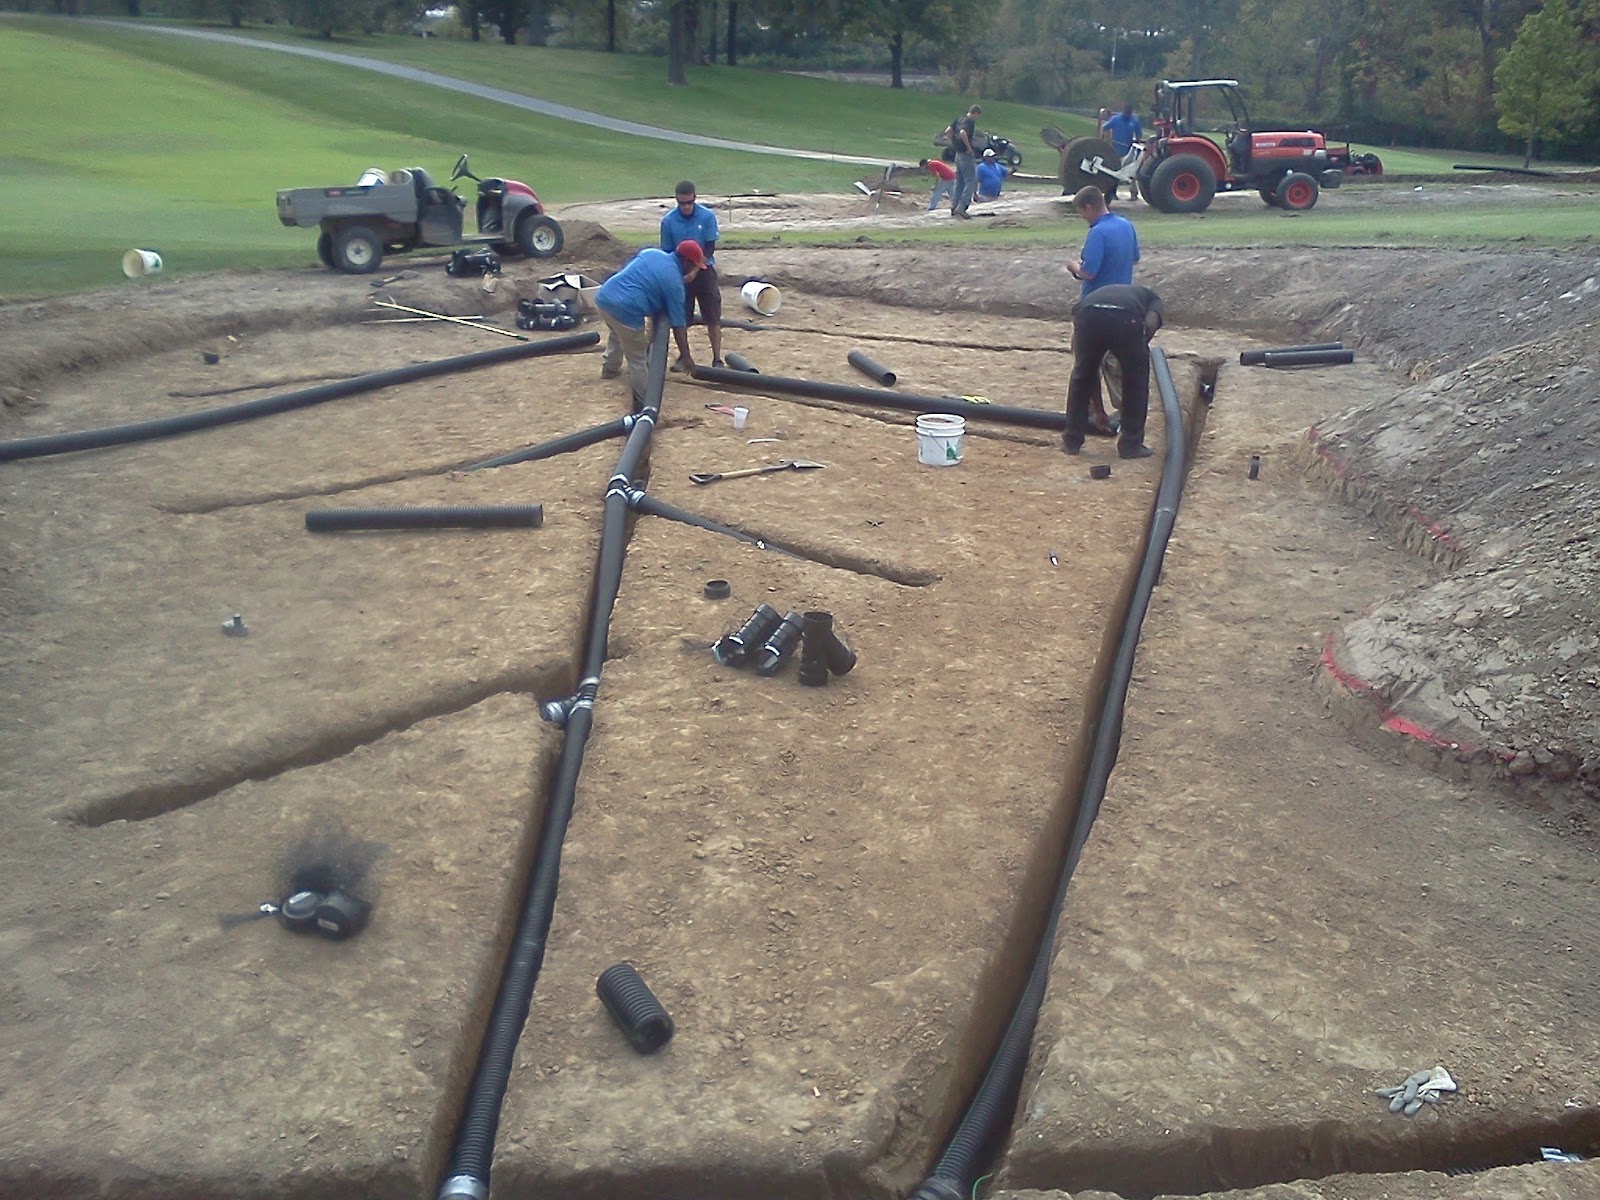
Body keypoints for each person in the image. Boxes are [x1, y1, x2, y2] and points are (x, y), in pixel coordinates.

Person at [1067, 185, 1141, 435]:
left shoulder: (1097, 233)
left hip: (1094, 308)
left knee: (1086, 364)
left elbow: (1088, 272)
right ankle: (1126, 415)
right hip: (1124, 304)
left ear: (1088, 207)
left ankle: (1088, 414)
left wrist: (1074, 266)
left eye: (1082, 213)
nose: (1084, 219)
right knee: (1119, 364)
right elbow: (1133, 260)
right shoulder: (1126, 226)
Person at [1061, 283, 1164, 461]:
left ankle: (1072, 440)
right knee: (1136, 381)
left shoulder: (1099, 294)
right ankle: (1130, 445)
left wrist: (1099, 411)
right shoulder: (1154, 300)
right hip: (1125, 317)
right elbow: (1150, 324)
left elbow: (1089, 373)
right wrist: (1138, 346)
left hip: (1089, 314)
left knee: (1082, 375)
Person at [595, 241, 706, 402]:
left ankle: (609, 369)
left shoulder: (652, 253)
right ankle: (645, 404)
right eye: (694, 266)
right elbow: (678, 326)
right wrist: (686, 357)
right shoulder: (675, 284)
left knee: (617, 332)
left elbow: (631, 270)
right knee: (637, 358)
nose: (695, 270)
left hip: (603, 298)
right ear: (686, 262)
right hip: (627, 309)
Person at [659, 180, 724, 371]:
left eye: (689, 203)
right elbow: (668, 252)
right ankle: (683, 356)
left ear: (695, 198)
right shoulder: (668, 221)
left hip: (704, 270)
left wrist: (696, 269)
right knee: (681, 316)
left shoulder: (707, 217)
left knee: (712, 316)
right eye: (682, 204)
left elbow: (710, 247)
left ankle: (717, 359)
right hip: (681, 271)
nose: (686, 207)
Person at [1099, 103, 1144, 201]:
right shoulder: (1115, 119)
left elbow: (1139, 134)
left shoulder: (1134, 120)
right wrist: (1102, 139)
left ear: (1131, 112)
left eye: (1129, 113)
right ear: (1123, 111)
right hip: (1116, 150)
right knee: (1115, 172)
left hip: (1129, 151)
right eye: (1126, 112)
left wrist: (1137, 142)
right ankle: (1112, 193)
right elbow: (1104, 127)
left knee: (1132, 173)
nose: (1127, 114)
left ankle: (1133, 193)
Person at [950, 104, 982, 219]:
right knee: (970, 180)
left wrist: (954, 144)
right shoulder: (969, 121)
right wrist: (968, 148)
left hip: (957, 154)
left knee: (959, 182)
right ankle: (962, 207)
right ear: (975, 113)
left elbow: (948, 131)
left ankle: (954, 206)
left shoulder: (959, 119)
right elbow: (963, 133)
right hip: (965, 154)